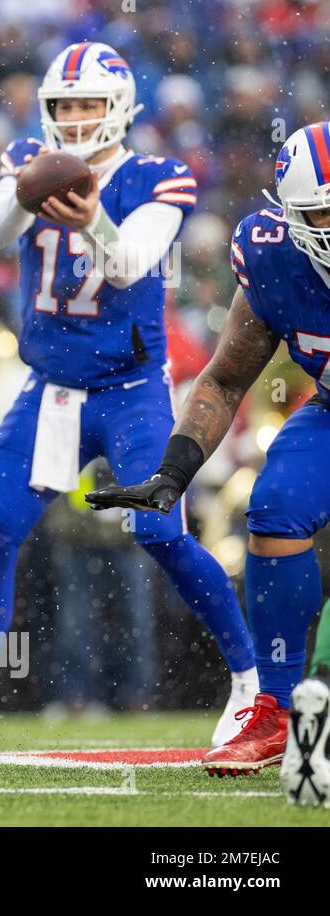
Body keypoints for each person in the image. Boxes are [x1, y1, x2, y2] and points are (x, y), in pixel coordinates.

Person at [0, 41, 257, 754]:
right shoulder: (33, 159)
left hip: (131, 390)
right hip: (50, 390)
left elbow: (128, 264)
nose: (73, 118)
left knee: (159, 533)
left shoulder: (157, 176)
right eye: (62, 105)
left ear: (119, 110)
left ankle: (251, 685)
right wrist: (27, 184)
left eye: (87, 105)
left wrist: (89, 213)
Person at [89, 122, 330, 793]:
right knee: (275, 507)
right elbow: (225, 379)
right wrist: (173, 472)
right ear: (291, 216)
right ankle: (278, 707)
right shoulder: (274, 258)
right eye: (324, 210)